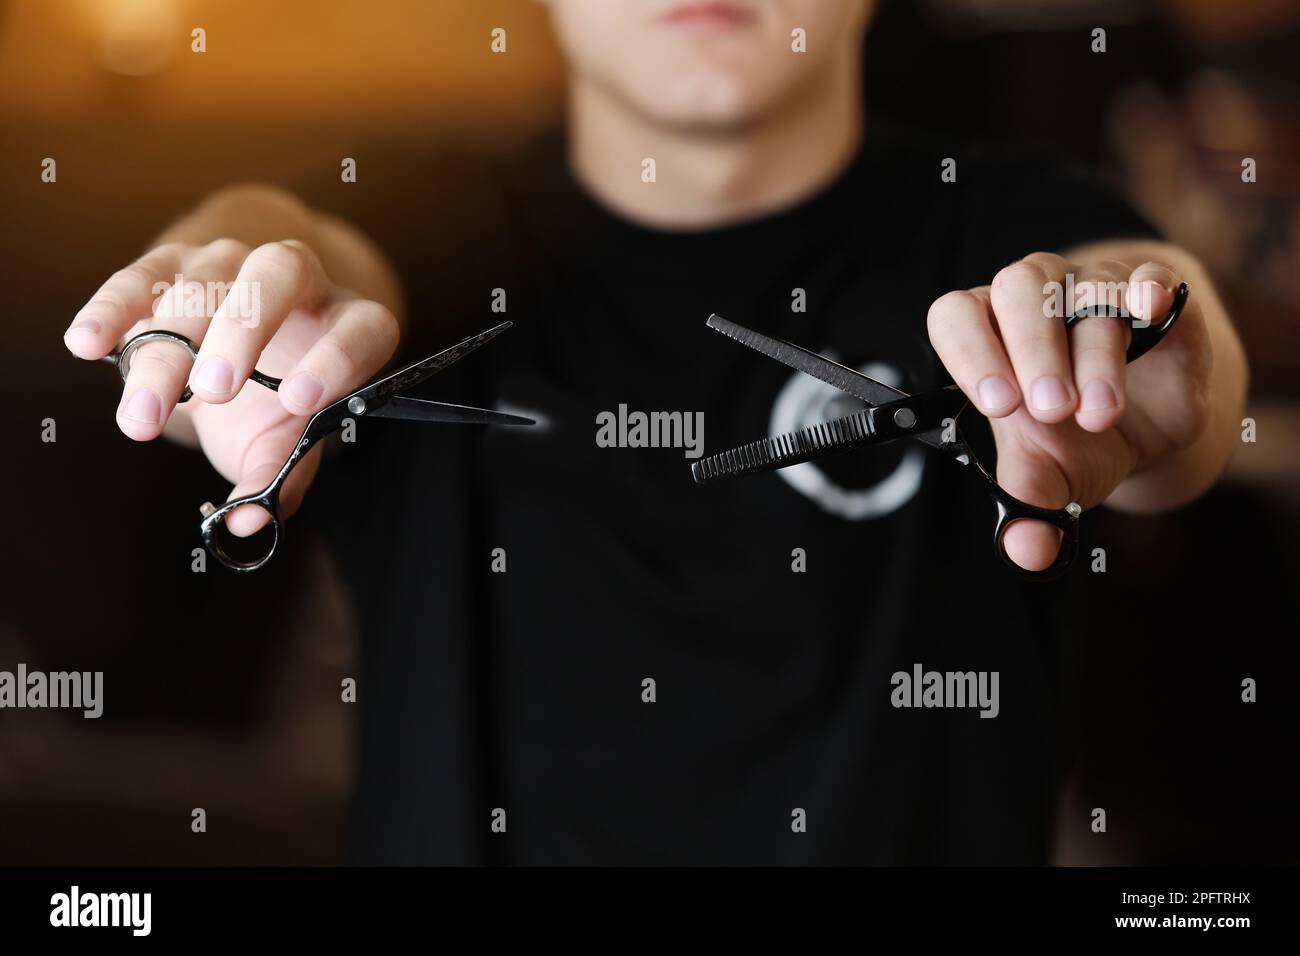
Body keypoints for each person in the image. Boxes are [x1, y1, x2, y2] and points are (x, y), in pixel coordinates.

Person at [61, 0, 1247, 864]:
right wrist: (229, 291)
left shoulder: (1011, 220)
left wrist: (1146, 364)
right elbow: (295, 240)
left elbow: (1141, 306)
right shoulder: (419, 227)